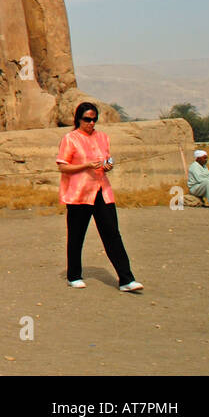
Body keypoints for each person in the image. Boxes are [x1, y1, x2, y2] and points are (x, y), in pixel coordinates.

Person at [55, 101, 143, 292]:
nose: (91, 123)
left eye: (94, 119)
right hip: (80, 193)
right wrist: (86, 165)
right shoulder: (70, 139)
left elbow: (107, 158)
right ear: (78, 119)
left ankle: (126, 279)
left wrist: (108, 165)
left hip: (102, 190)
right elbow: (62, 166)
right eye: (87, 119)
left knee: (112, 234)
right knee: (77, 235)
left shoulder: (103, 137)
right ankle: (74, 275)